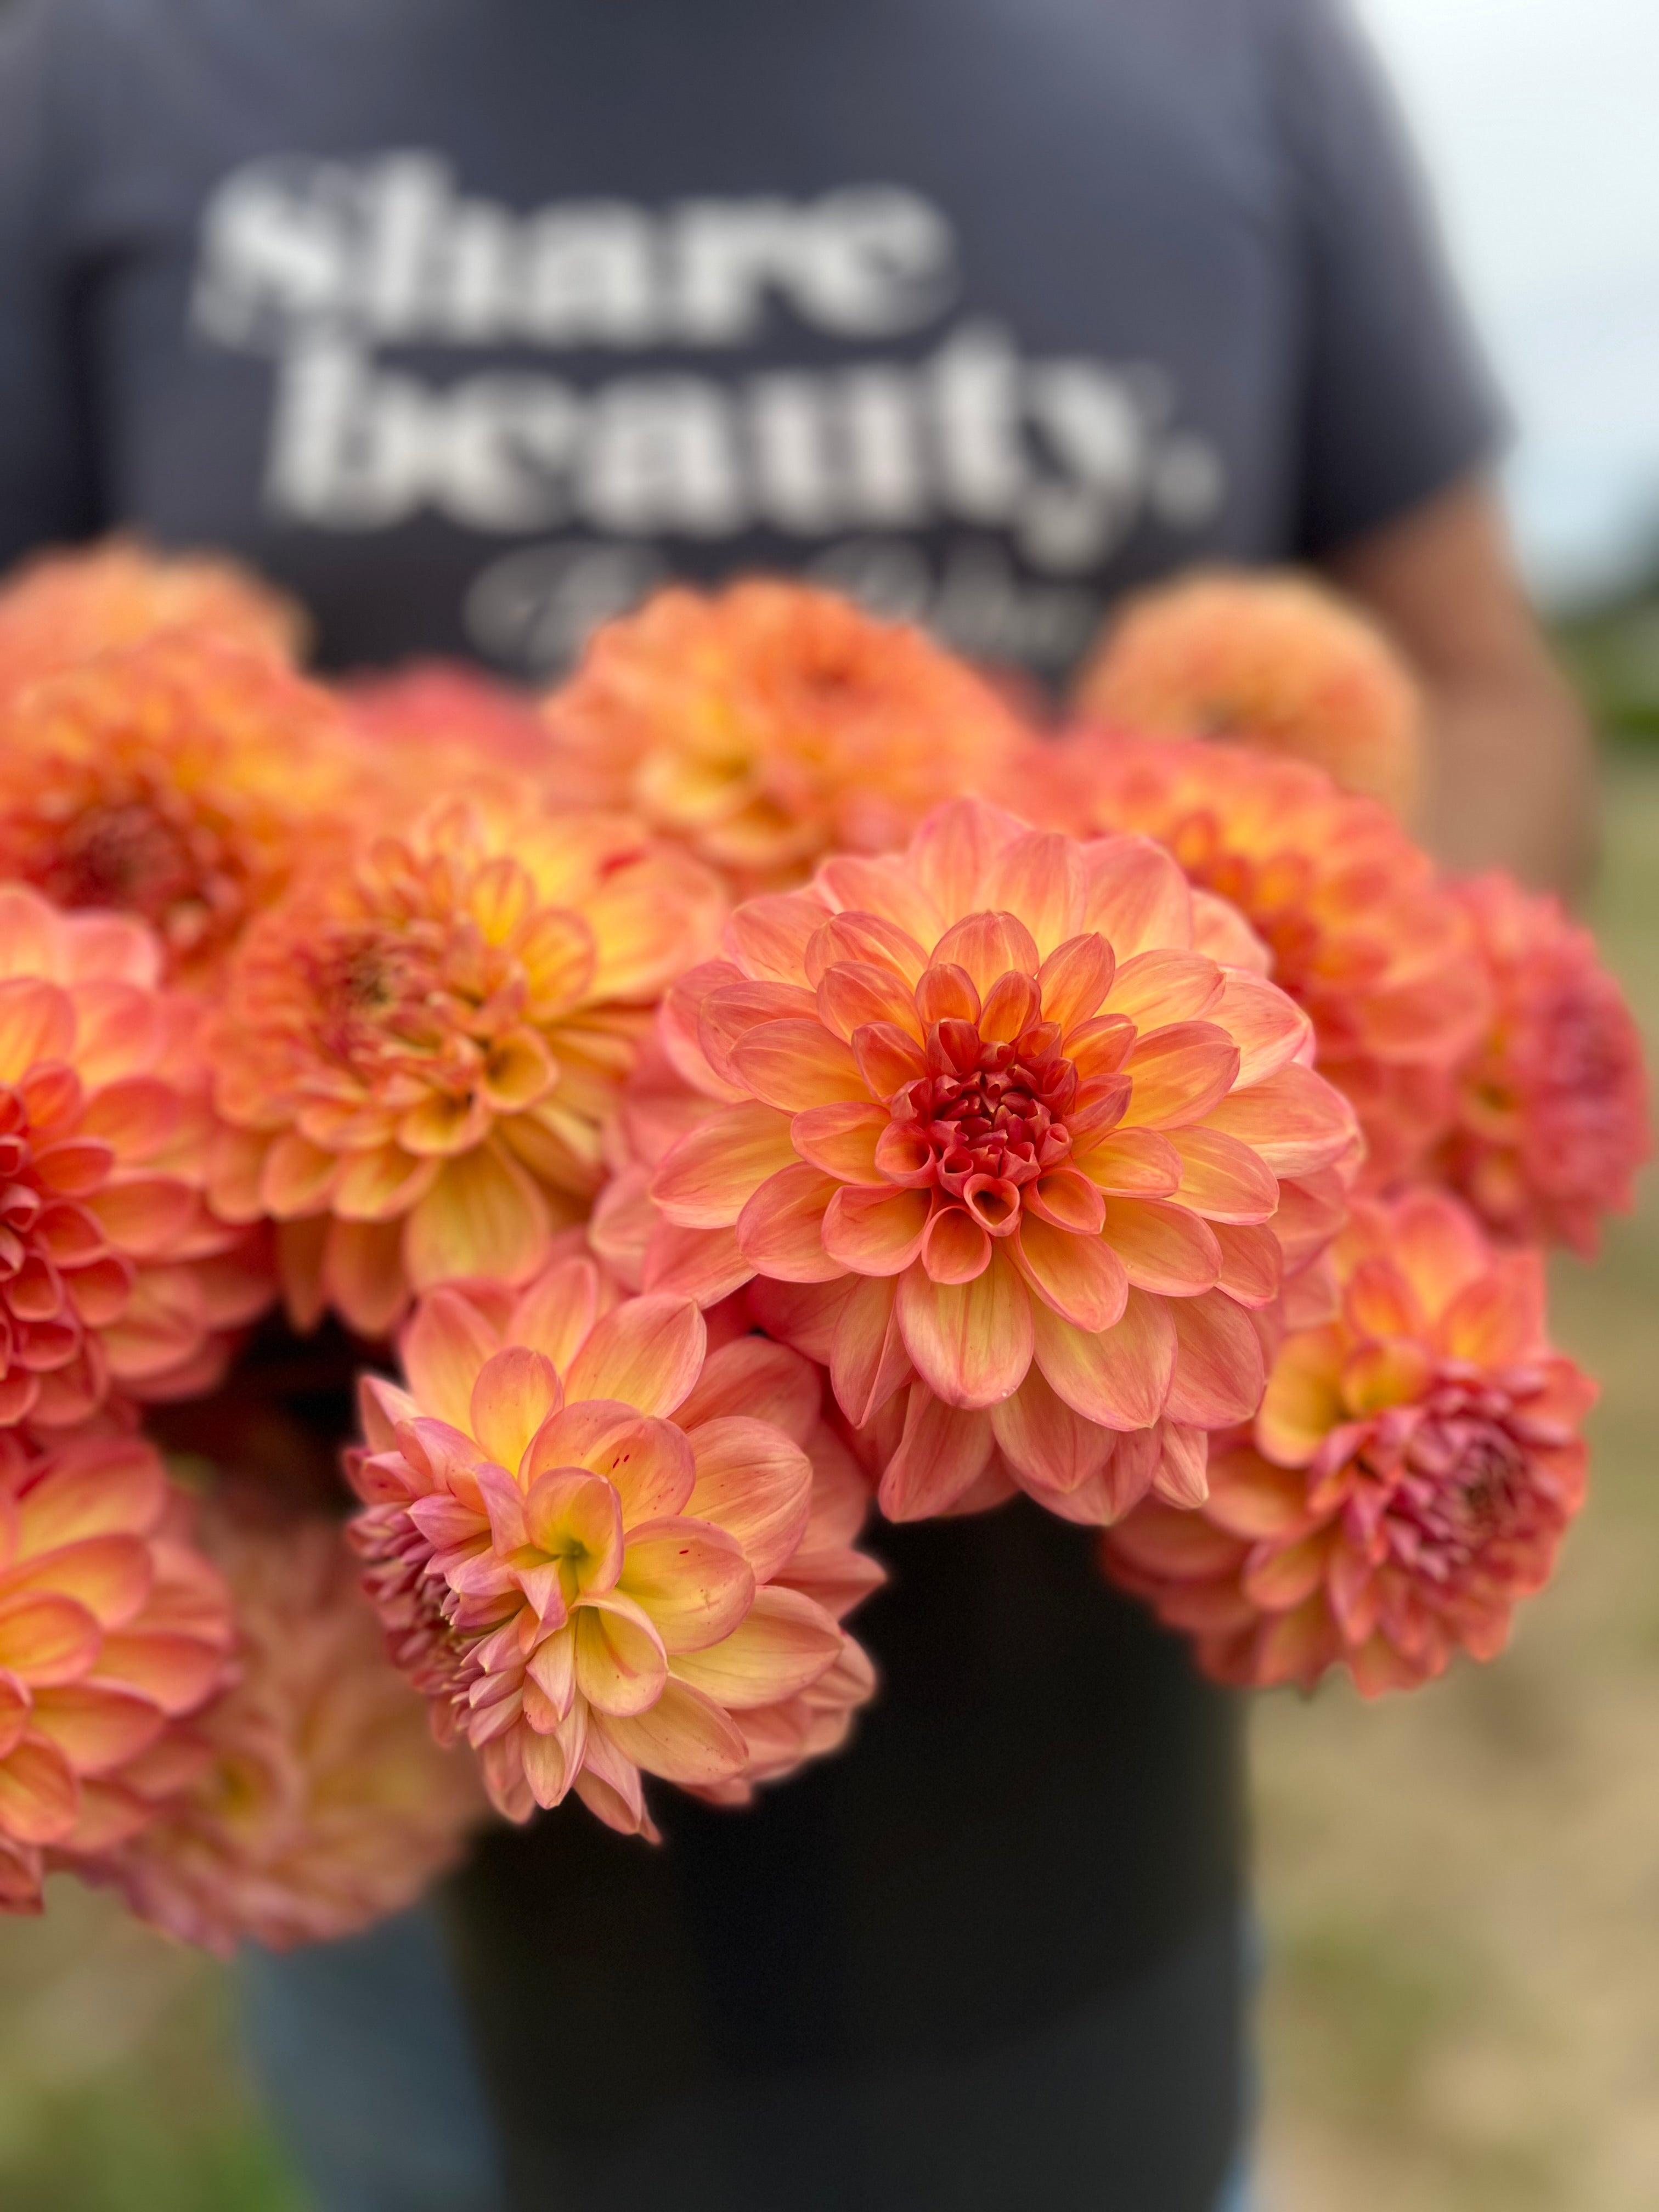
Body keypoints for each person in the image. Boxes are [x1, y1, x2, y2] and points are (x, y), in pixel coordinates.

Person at [0, 2, 1592, 2207]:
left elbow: (1484, 669)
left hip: (1062, 1770)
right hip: (427, 1666)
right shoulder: (109, 67)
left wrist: (1394, 1019)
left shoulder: (1235, 55)